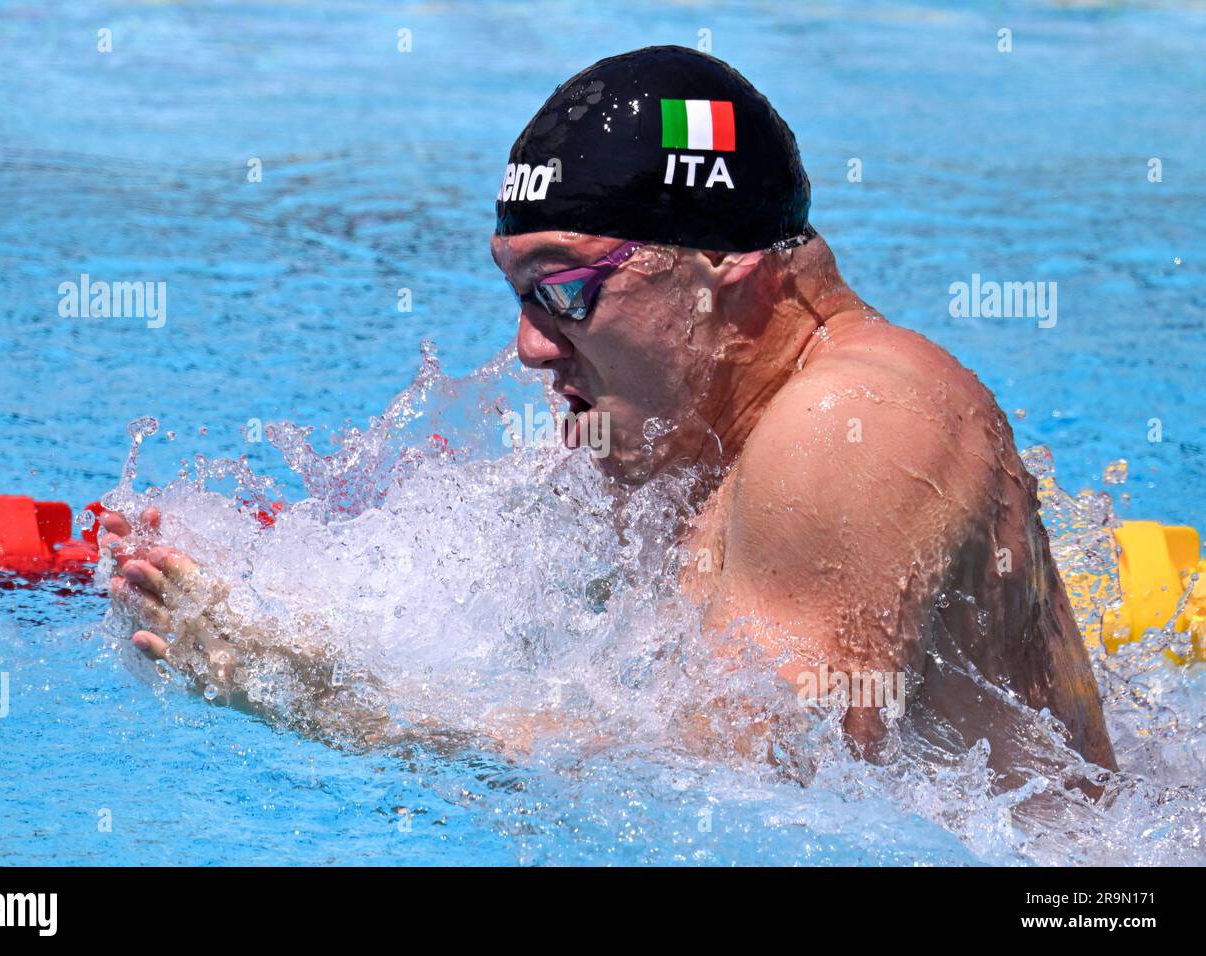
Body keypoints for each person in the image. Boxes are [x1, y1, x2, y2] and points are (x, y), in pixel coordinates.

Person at [104, 46, 1117, 776]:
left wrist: (336, 702)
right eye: (519, 292)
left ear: (726, 265)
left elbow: (761, 773)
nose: (532, 344)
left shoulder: (856, 422)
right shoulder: (697, 431)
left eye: (566, 288)